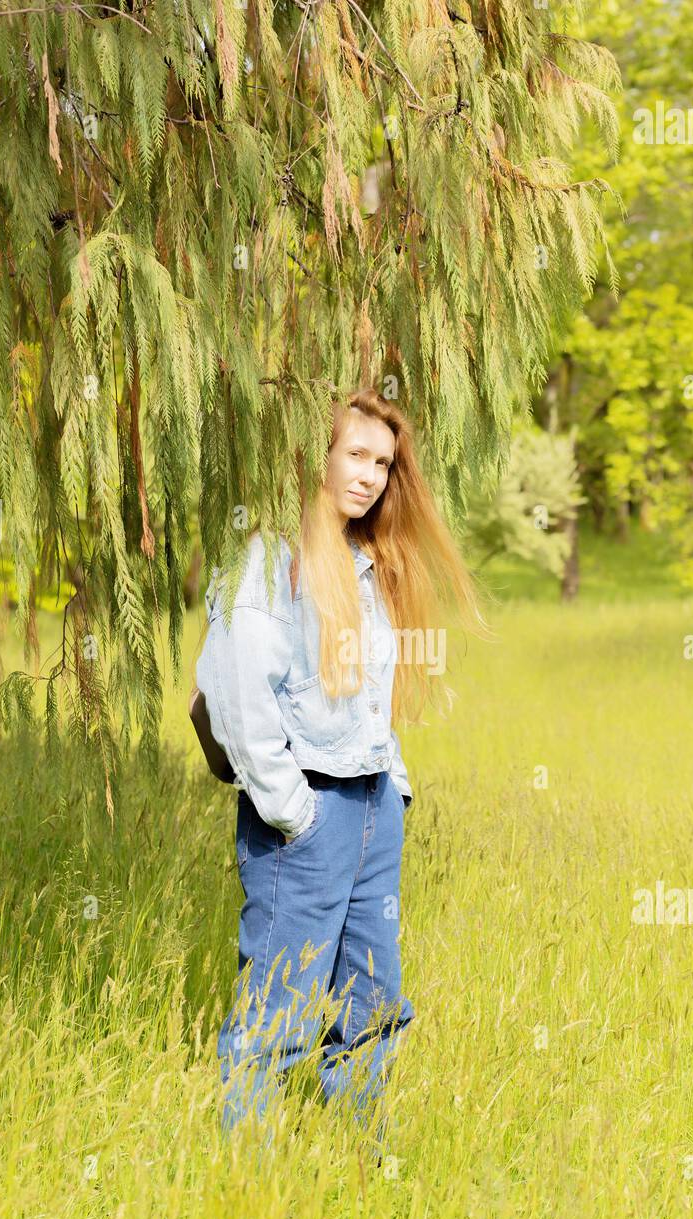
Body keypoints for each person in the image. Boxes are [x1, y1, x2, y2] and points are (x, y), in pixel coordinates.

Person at [194, 388, 488, 1153]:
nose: (369, 476)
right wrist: (294, 810)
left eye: (383, 464)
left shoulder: (370, 566)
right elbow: (236, 699)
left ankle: (362, 1157)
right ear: (315, 456)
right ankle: (247, 1177)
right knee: (281, 1004)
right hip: (306, 816)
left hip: (373, 809)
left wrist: (393, 789)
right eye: (355, 455)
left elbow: (370, 703)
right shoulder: (267, 561)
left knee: (373, 1000)